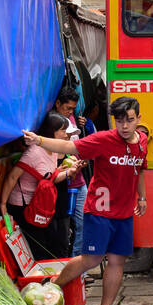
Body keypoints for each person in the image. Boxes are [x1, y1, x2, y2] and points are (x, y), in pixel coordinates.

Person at [24, 96, 147, 305]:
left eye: (129, 120)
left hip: (124, 212)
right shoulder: (103, 139)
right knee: (91, 259)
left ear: (139, 118)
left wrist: (143, 197)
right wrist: (39, 140)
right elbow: (68, 146)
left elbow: (140, 169)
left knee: (118, 260)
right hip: (99, 210)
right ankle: (52, 286)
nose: (125, 126)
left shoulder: (142, 141)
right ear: (113, 121)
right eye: (119, 121)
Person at [0, 111, 80, 260]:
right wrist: (3, 204)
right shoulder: (34, 153)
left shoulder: (56, 150)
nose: (65, 135)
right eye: (62, 130)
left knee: (52, 240)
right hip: (23, 204)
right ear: (51, 132)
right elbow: (12, 177)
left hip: (39, 201)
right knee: (40, 245)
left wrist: (70, 171)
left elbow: (52, 178)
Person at [55, 88, 88, 256]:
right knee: (64, 226)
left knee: (83, 223)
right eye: (67, 108)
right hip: (63, 183)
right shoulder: (53, 123)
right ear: (57, 104)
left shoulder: (73, 119)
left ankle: (77, 264)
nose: (70, 112)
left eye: (72, 109)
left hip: (79, 181)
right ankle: (67, 265)